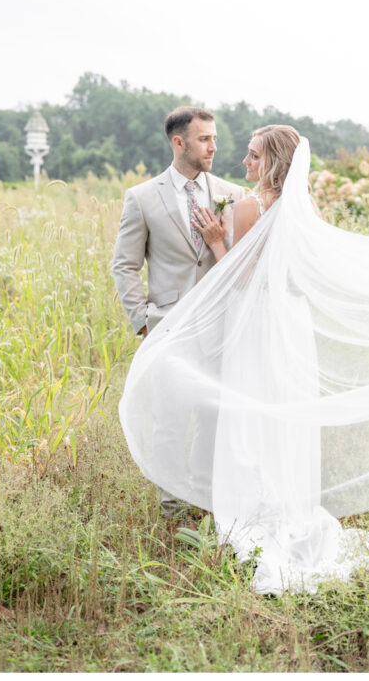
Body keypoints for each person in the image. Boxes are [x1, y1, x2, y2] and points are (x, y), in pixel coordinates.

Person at [117, 124, 369, 595]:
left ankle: (253, 510)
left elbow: (241, 281)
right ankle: (292, 505)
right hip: (293, 327)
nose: (245, 163)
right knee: (287, 415)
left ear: (273, 160)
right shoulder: (305, 210)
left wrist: (219, 242)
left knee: (251, 414)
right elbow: (298, 279)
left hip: (256, 327)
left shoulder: (246, 207)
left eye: (253, 155)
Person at [111, 106, 245, 517]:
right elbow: (125, 265)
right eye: (205, 139)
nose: (214, 147)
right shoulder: (143, 197)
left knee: (213, 420)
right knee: (169, 421)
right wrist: (144, 323)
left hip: (222, 326)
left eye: (215, 138)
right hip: (169, 327)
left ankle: (207, 502)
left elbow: (241, 263)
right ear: (179, 142)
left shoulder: (233, 194)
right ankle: (171, 512)